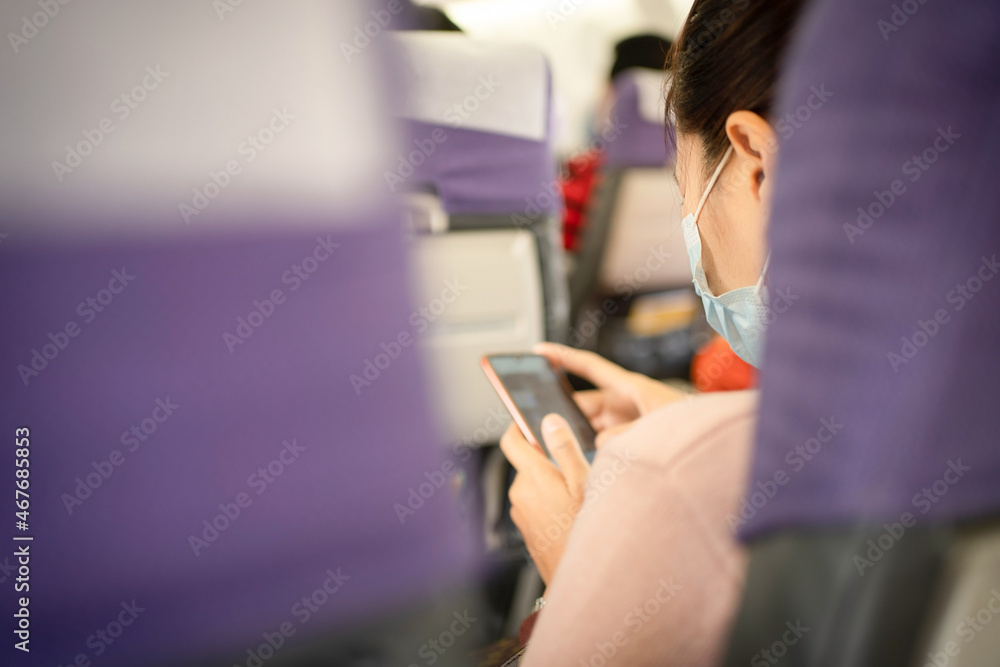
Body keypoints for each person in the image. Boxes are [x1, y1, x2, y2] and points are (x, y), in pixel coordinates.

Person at [496, 0, 808, 663]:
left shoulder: (669, 479)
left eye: (683, 185)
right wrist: (691, 419)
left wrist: (586, 566)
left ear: (755, 161)